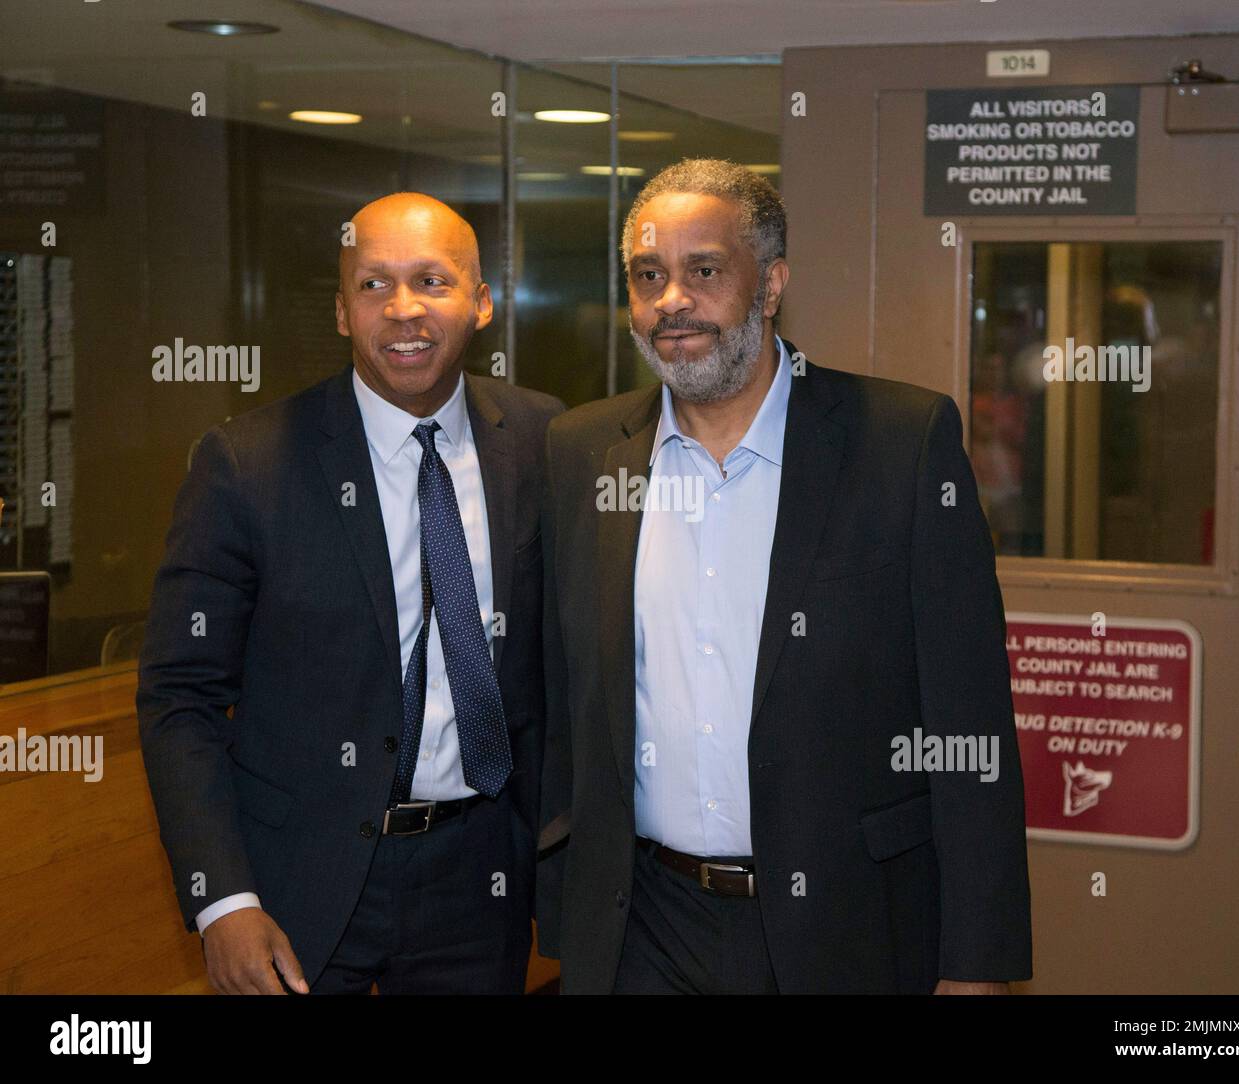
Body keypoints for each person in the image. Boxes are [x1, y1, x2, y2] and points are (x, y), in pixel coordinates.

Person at [536, 159, 1032, 994]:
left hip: (843, 928)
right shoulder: (583, 451)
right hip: (639, 929)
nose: (672, 301)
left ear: (769, 286)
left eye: (704, 271)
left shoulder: (899, 443)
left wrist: (976, 964)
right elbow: (559, 697)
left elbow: (968, 714)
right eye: (648, 275)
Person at [137, 192, 563, 993]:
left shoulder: (546, 442)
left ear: (481, 303)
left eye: (431, 281)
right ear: (341, 312)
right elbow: (179, 698)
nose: (403, 310)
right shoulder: (247, 464)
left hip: (482, 880)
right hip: (295, 887)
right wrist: (222, 901)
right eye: (374, 285)